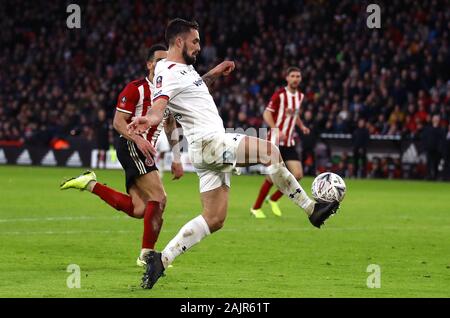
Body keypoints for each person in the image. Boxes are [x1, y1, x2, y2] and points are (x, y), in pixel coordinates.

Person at [128, 19, 339, 289]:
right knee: (269, 150)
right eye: (195, 41)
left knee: (214, 219)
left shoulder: (182, 70)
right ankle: (311, 209)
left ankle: (161, 259)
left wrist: (214, 72)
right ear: (179, 41)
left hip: (204, 151)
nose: (199, 47)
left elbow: (192, 88)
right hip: (210, 142)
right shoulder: (166, 70)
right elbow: (160, 106)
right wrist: (149, 118)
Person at [60, 44, 184, 266]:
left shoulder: (169, 94)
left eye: (167, 61)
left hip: (144, 151)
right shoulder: (136, 89)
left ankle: (90, 184)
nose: (163, 65)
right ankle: (147, 255)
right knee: (160, 198)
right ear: (149, 64)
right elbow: (118, 122)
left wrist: (176, 157)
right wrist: (138, 138)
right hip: (131, 145)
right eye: (159, 60)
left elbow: (171, 126)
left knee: (140, 209)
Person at [250, 67, 310, 218]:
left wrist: (301, 126)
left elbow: (294, 115)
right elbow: (266, 113)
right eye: (293, 76)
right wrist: (276, 129)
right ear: (287, 78)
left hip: (289, 142)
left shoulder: (300, 96)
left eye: (298, 76)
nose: (296, 78)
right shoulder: (280, 95)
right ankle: (256, 208)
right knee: (272, 177)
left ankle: (273, 199)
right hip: (275, 141)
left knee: (297, 174)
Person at [421, 114, 445, 180]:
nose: (436, 120)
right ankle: (429, 175)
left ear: (439, 120)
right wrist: (424, 147)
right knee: (428, 163)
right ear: (432, 119)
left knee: (436, 164)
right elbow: (424, 138)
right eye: (435, 118)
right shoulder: (428, 129)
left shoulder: (441, 129)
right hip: (429, 149)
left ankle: (436, 176)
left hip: (437, 150)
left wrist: (441, 149)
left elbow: (443, 141)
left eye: (437, 118)